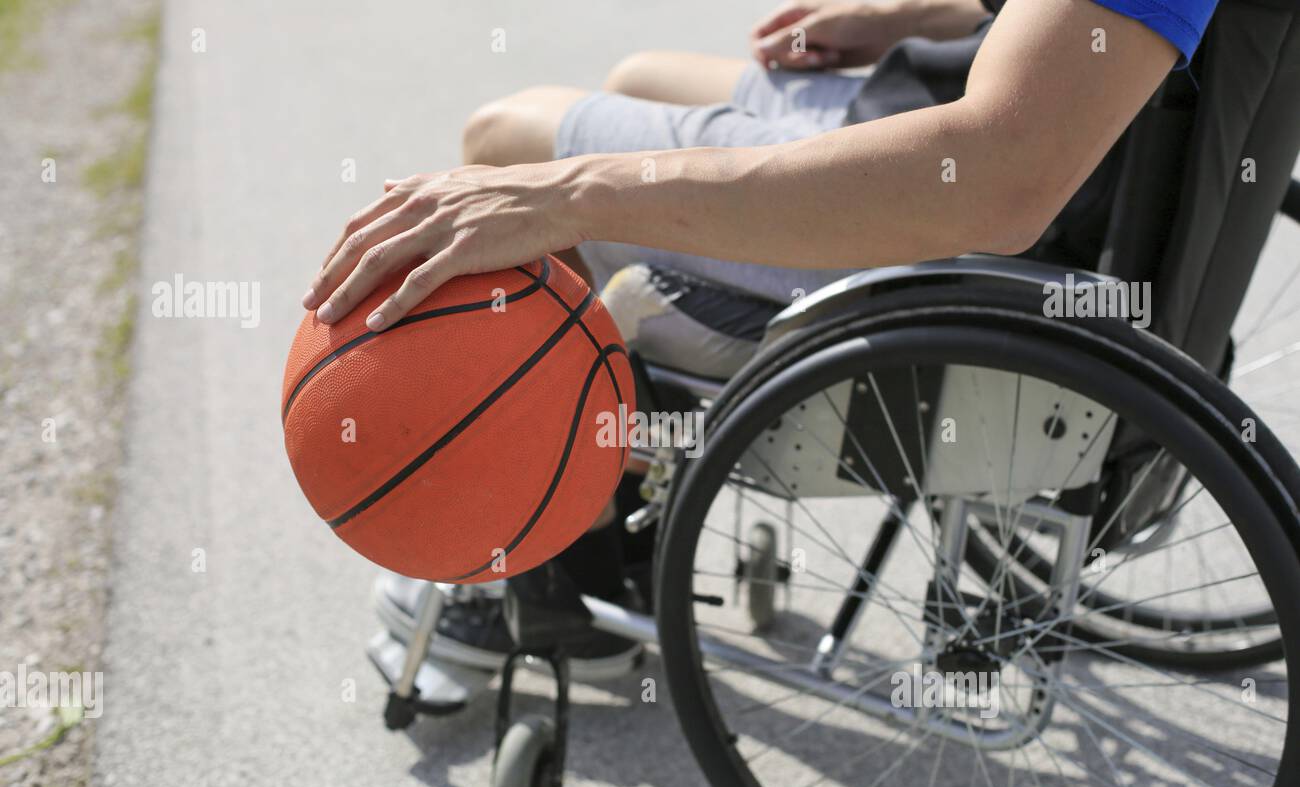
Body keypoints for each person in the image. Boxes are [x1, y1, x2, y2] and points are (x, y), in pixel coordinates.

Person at [301, 0, 1219, 679]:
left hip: (948, 228)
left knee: (506, 139)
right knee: (636, 77)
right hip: (981, 139)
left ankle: (570, 584)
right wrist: (917, 16)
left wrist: (563, 194)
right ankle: (617, 510)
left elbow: (997, 181)